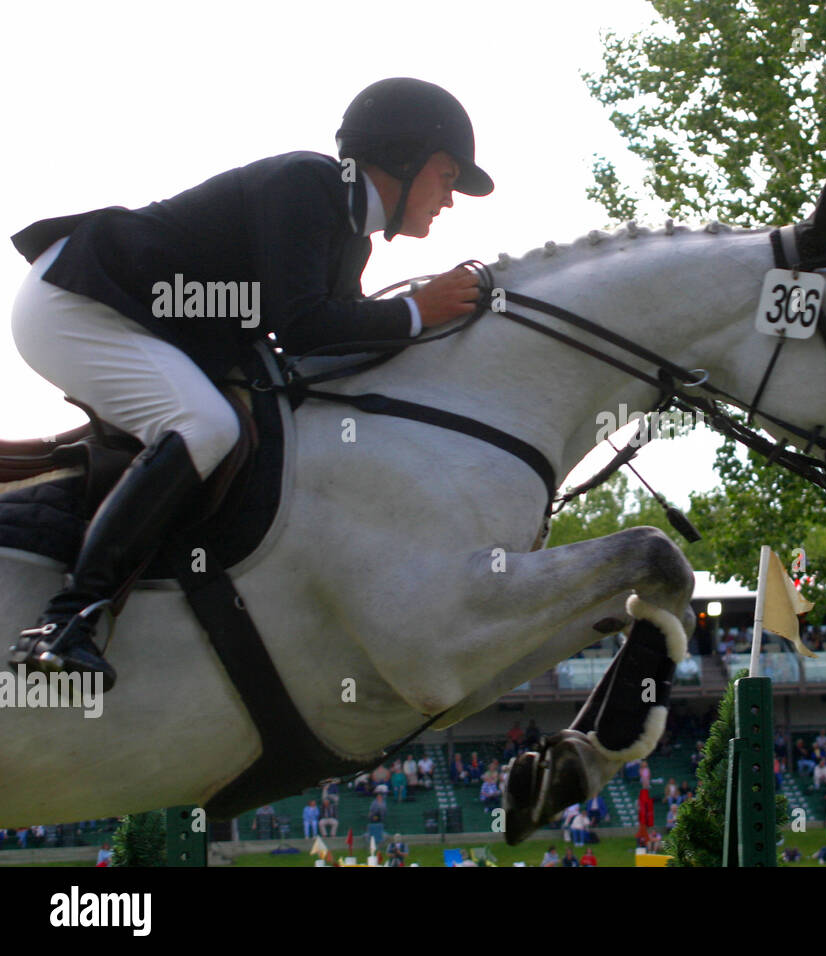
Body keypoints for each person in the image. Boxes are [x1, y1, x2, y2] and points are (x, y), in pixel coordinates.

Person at [6, 78, 492, 688]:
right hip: (78, 305)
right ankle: (64, 623)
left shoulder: (347, 234)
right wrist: (421, 309)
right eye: (447, 177)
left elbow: (333, 348)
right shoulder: (307, 185)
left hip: (133, 315)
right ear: (404, 156)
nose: (449, 200)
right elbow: (307, 327)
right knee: (205, 426)